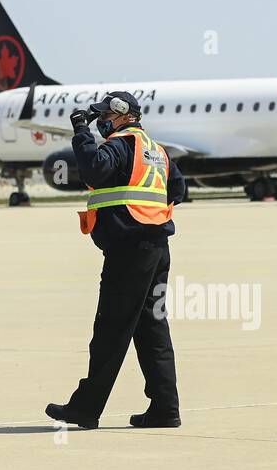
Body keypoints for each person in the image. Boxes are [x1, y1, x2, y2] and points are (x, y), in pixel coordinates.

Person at [46, 92, 187, 430]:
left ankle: (85, 408)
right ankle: (165, 408)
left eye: (105, 115)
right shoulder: (157, 150)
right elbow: (177, 190)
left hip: (129, 252)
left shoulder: (121, 145)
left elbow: (94, 170)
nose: (103, 121)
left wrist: (81, 131)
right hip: (157, 248)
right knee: (153, 328)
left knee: (111, 328)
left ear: (122, 115)